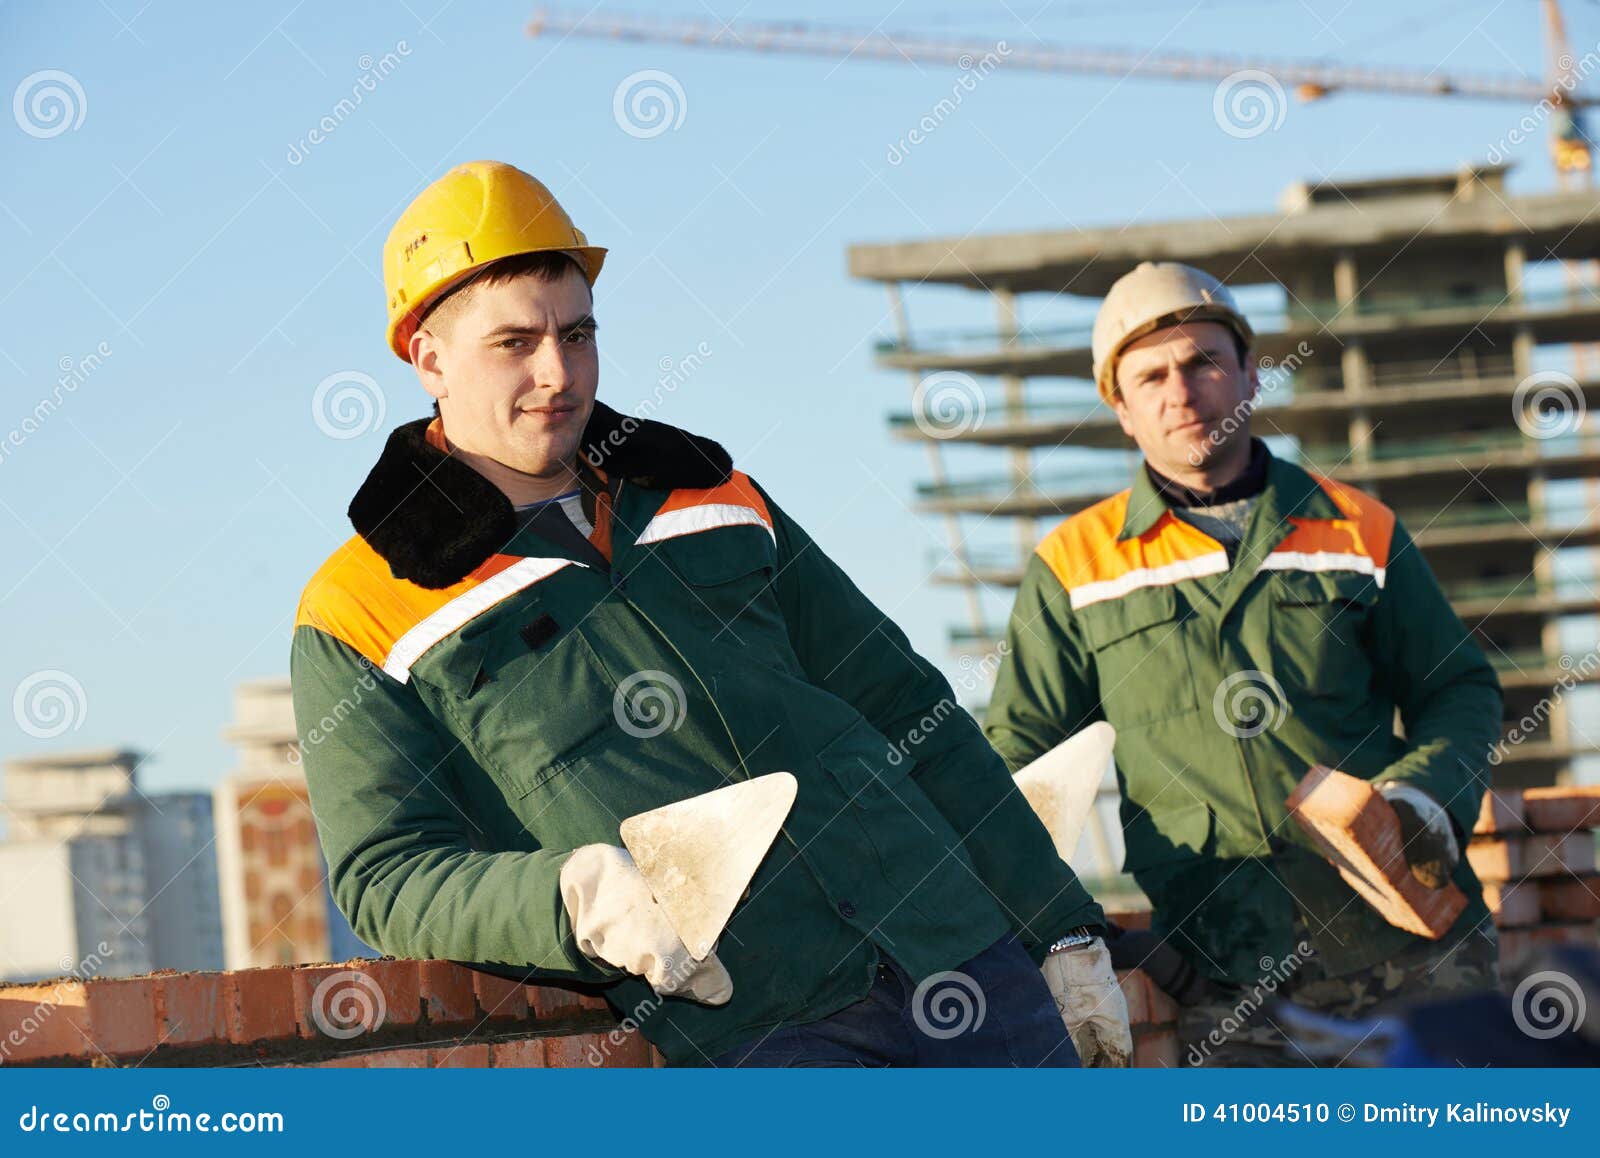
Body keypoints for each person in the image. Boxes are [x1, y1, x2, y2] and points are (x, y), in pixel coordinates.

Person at [289, 160, 1132, 1067]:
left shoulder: (713, 496)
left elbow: (904, 707)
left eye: (578, 334)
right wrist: (567, 899)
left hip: (959, 954)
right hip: (760, 1020)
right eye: (513, 343)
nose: (557, 372)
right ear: (427, 357)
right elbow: (384, 874)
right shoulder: (364, 607)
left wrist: (1059, 929)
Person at [983, 261, 1503, 1066]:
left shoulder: (1354, 528)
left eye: (1204, 363)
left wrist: (1423, 799)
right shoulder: (1074, 567)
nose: (1181, 393)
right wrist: (1064, 926)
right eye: (1150, 377)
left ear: (1252, 375)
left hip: (1410, 946)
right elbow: (1023, 767)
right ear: (1120, 408)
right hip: (1221, 978)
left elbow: (1458, 687)